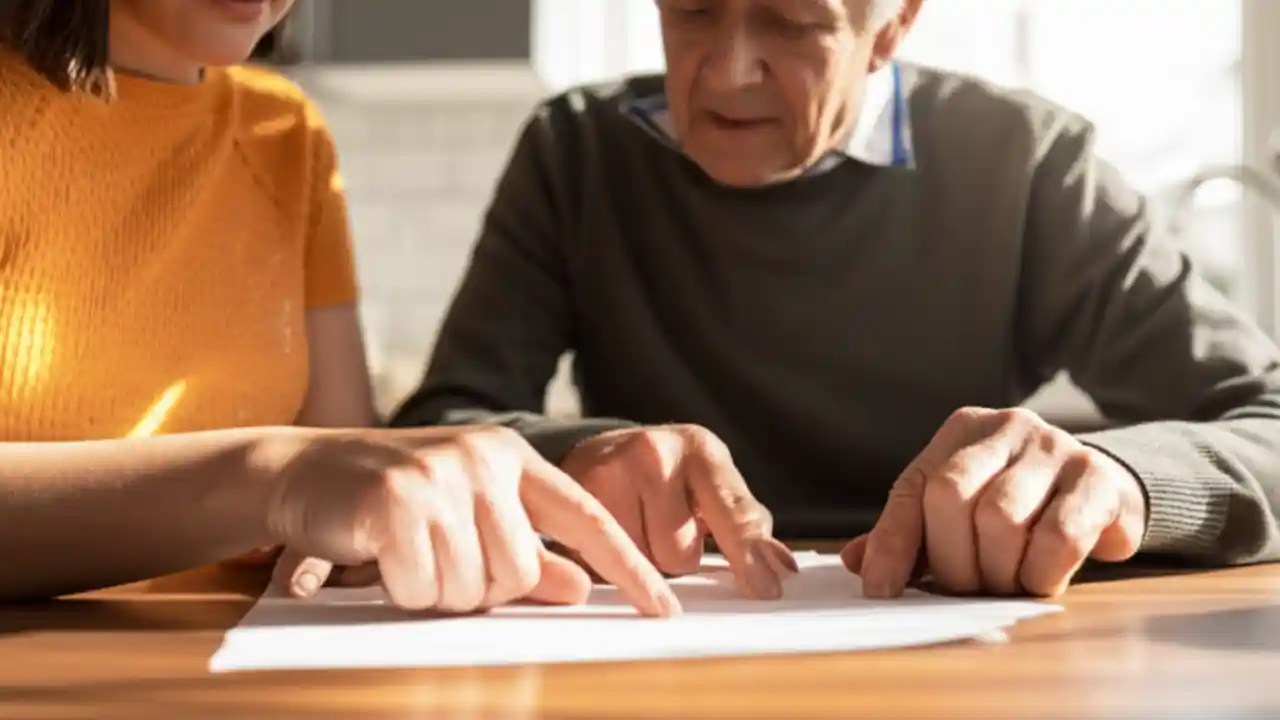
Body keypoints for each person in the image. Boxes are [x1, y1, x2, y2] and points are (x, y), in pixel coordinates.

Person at [394, 0, 1280, 599]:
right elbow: (437, 426)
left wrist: (1128, 481)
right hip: (658, 641)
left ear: (893, 21)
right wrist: (574, 454)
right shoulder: (574, 154)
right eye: (693, 7)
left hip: (954, 655)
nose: (726, 72)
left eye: (792, 21)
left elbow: (1269, 421)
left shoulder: (1026, 165)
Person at [0, 0, 681, 618]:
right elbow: (302, 471)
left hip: (225, 669)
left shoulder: (284, 136)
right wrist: (274, 477)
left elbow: (343, 463)